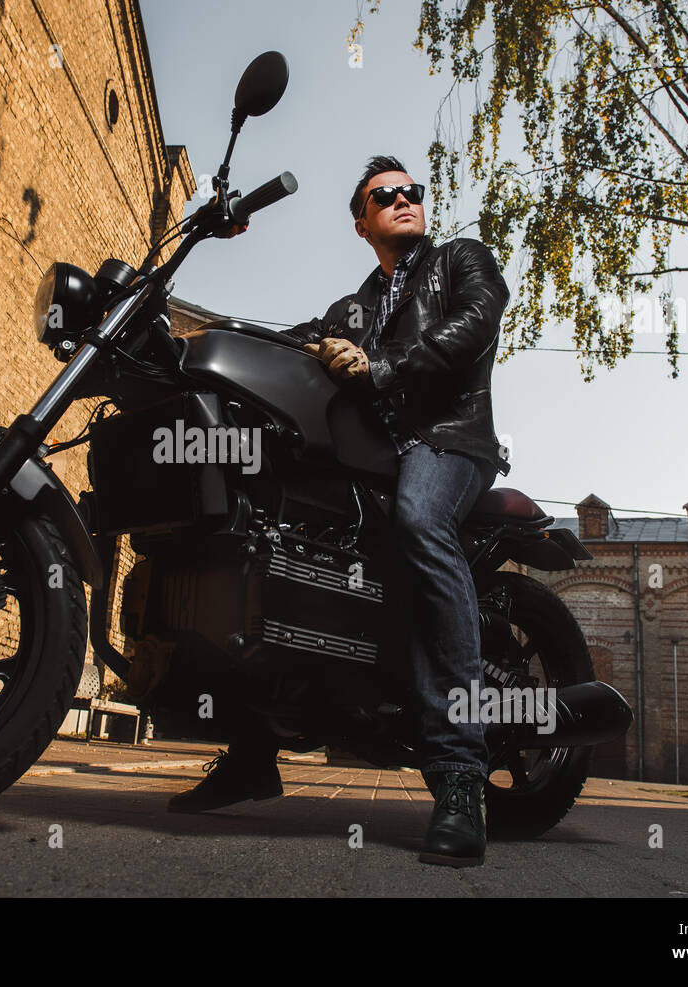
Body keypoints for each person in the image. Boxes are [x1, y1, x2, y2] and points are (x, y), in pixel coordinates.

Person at [167, 155, 512, 868]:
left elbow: (480, 319)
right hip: (372, 457)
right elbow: (298, 342)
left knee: (420, 520)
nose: (404, 201)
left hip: (446, 443)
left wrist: (382, 368)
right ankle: (255, 748)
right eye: (385, 196)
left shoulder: (459, 259)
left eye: (412, 191)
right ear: (362, 222)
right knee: (266, 525)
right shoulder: (356, 307)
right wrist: (185, 345)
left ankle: (458, 775)